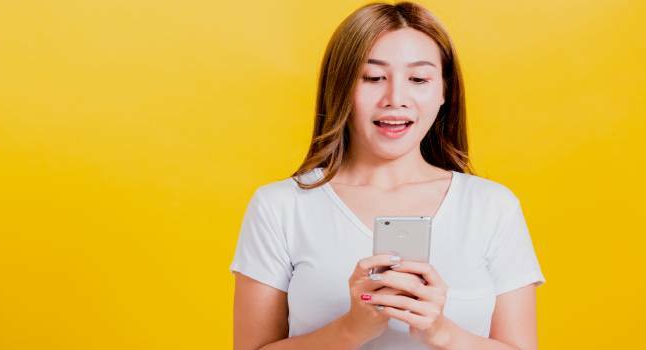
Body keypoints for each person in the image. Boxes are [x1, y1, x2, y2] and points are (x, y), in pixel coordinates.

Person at [229, 2, 546, 349]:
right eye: (373, 77)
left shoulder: (492, 207)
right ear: (340, 87)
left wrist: (440, 331)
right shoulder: (280, 207)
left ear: (444, 91)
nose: (396, 98)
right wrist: (351, 329)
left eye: (419, 79)